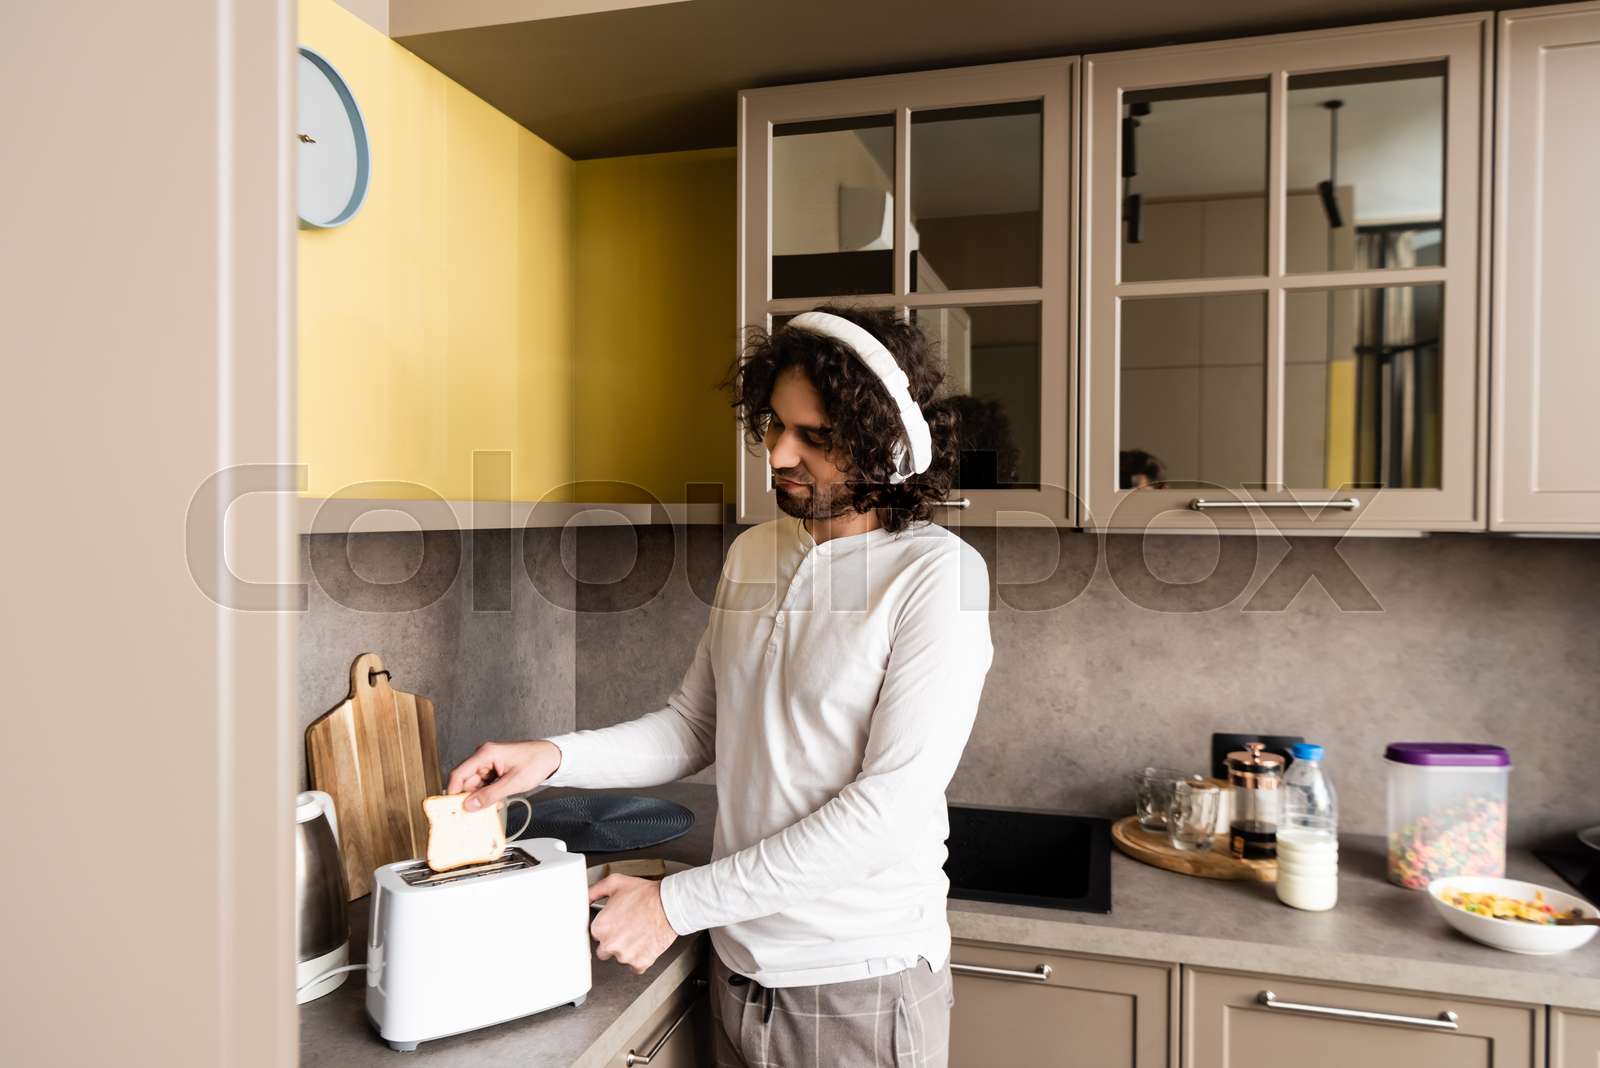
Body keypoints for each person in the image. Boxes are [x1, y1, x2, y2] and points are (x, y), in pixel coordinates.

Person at [447, 306, 993, 1067]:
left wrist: (674, 905)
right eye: (773, 426)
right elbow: (694, 725)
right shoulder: (755, 554)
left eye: (814, 436)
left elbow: (884, 815)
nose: (779, 455)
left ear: (886, 445)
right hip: (737, 969)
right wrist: (552, 758)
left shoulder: (936, 578)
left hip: (856, 986)